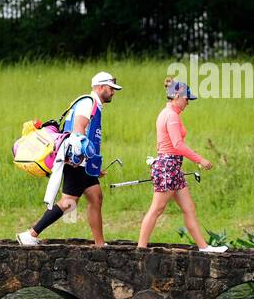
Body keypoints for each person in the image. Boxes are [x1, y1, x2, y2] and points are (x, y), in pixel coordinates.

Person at [18, 71, 121, 247]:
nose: (113, 92)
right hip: (77, 161)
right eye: (111, 88)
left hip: (84, 162)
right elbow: (79, 128)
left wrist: (93, 164)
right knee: (68, 202)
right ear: (100, 87)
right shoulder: (88, 102)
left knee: (96, 197)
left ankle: (99, 243)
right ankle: (30, 234)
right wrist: (83, 157)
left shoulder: (93, 104)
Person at [137, 78, 227, 252]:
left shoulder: (169, 113)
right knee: (157, 208)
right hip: (168, 166)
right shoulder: (170, 116)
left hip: (173, 167)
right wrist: (200, 159)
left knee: (189, 208)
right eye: (187, 98)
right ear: (177, 95)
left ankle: (204, 247)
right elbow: (177, 144)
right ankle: (141, 249)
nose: (188, 102)